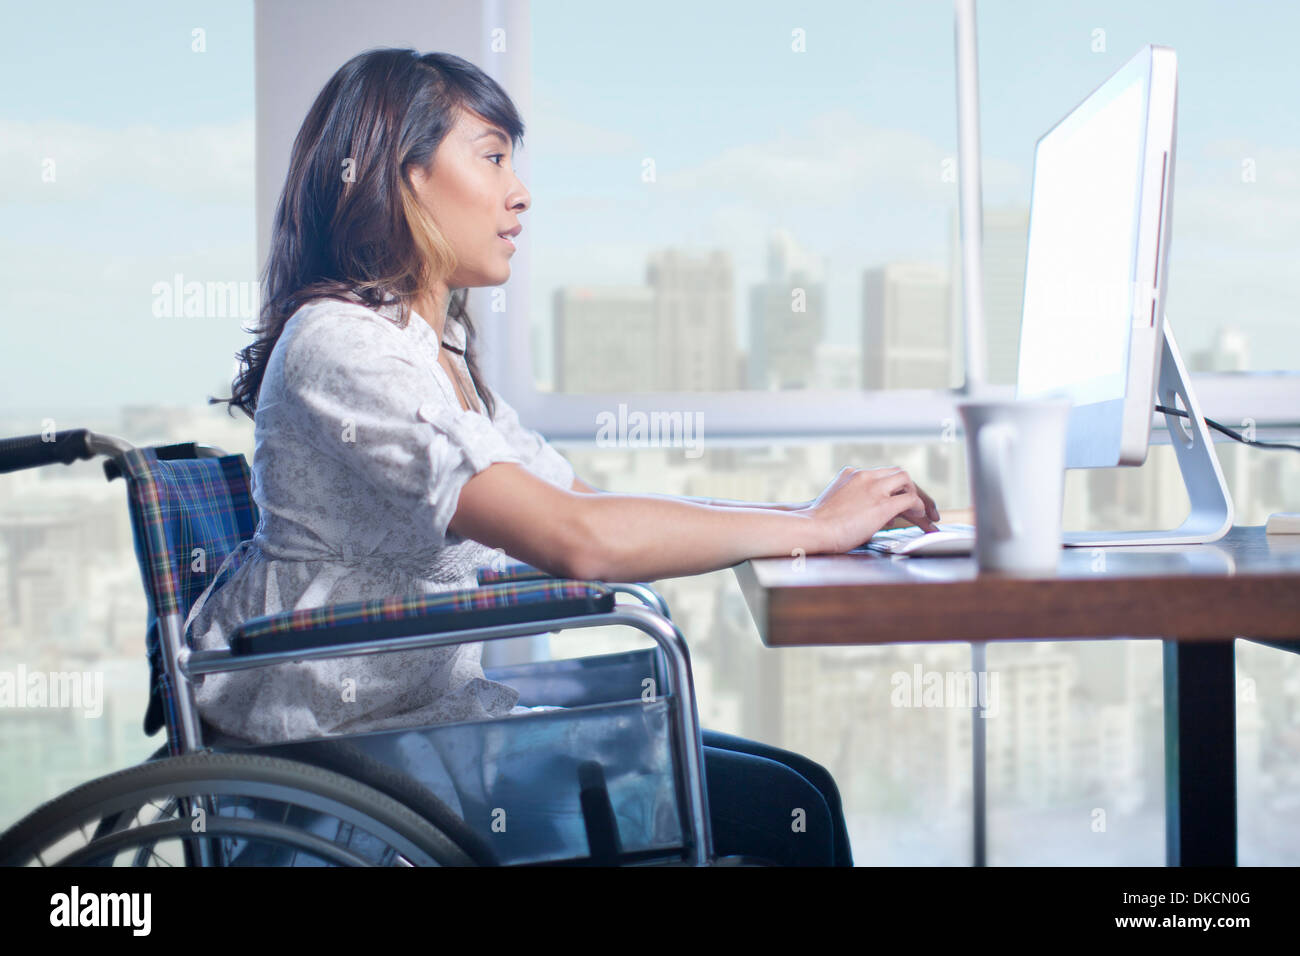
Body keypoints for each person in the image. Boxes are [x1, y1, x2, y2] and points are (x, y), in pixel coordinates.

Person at [196, 47, 941, 868]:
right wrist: (812, 529)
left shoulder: (430, 350)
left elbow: (581, 502)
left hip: (428, 734)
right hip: (344, 762)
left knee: (798, 785)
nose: (520, 192)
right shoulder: (342, 346)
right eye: (491, 157)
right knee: (781, 809)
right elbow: (577, 541)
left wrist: (806, 518)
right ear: (403, 173)